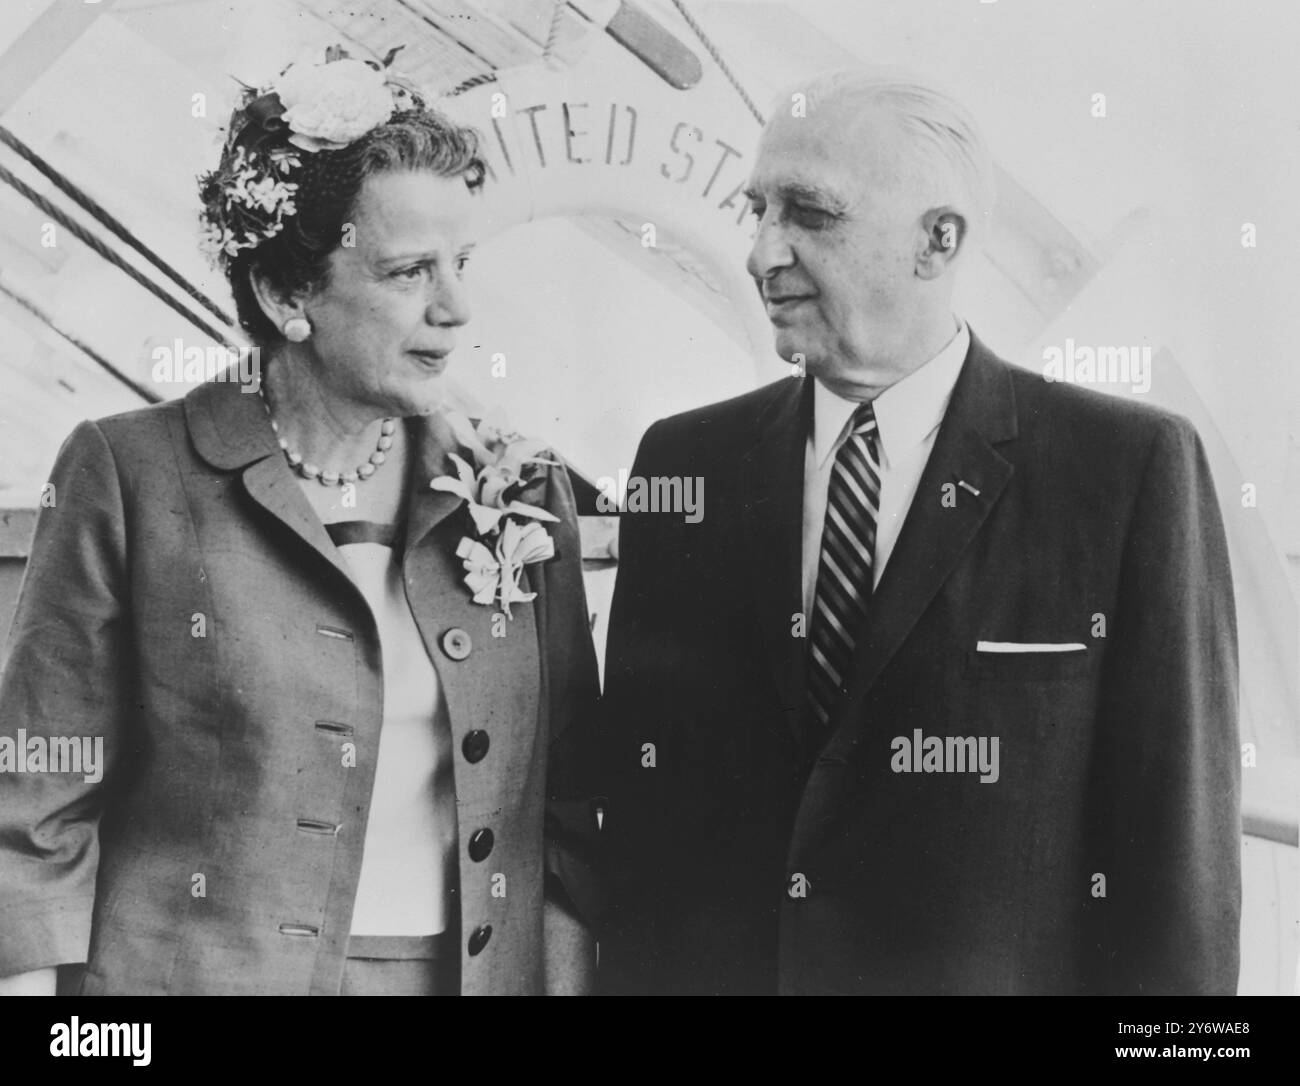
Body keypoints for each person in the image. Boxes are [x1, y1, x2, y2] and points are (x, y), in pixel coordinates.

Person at [598, 67, 1241, 995]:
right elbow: (640, 816)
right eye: (757, 209)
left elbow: (1176, 861)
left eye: (810, 213)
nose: (761, 253)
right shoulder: (685, 463)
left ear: (939, 240)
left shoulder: (1125, 471)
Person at [0, 48, 600, 996]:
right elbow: (36, 813)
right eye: (409, 272)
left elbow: (569, 816)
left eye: (461, 264)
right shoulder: (127, 473)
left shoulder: (518, 488)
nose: (456, 308)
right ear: (288, 296)